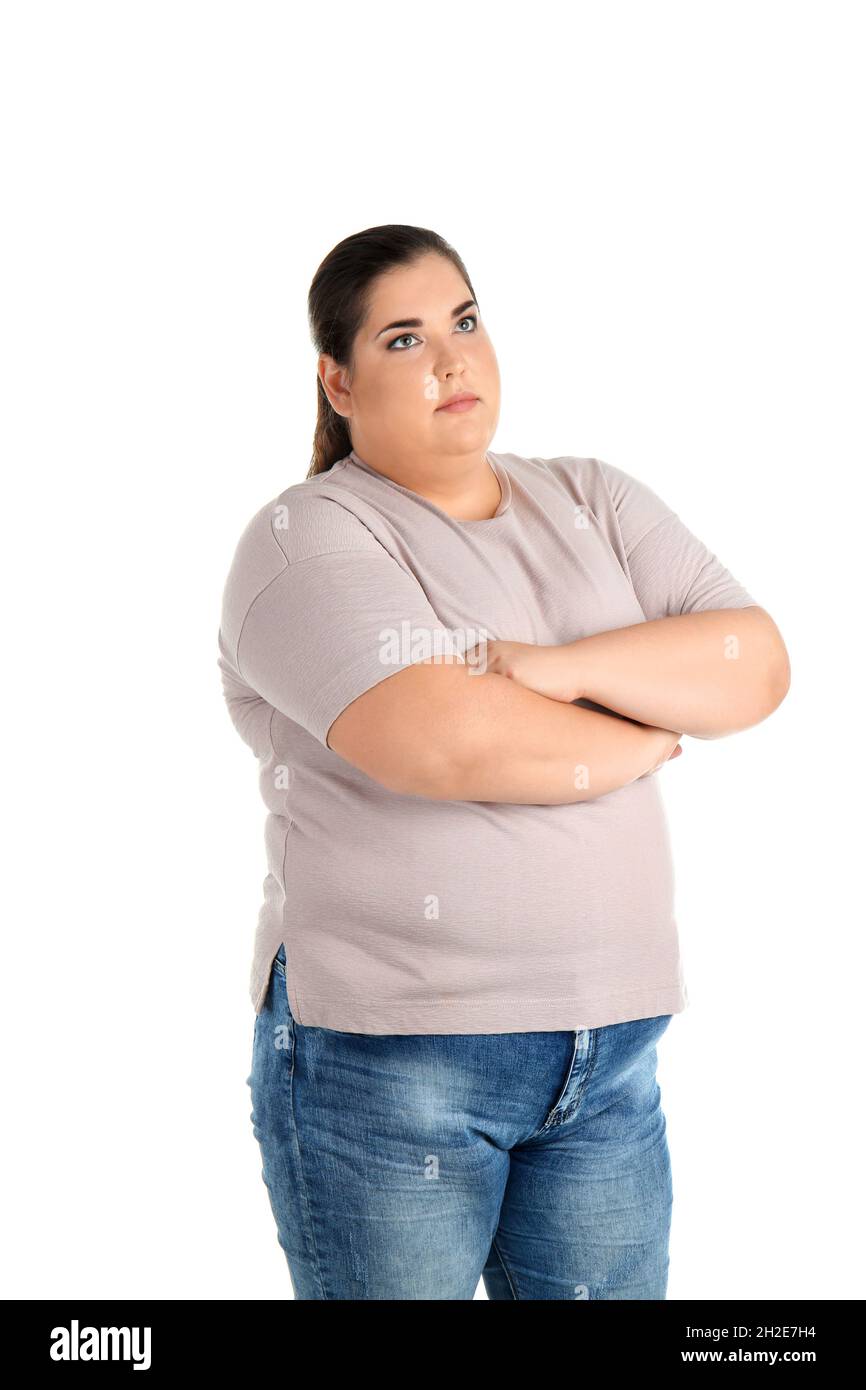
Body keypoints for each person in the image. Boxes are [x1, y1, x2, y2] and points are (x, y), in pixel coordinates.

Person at [217, 224, 790, 1300]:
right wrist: (646, 726)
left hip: (609, 1055)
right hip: (394, 1066)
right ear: (335, 380)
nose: (450, 358)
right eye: (402, 339)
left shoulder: (590, 497)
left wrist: (556, 669)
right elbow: (444, 741)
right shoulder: (308, 538)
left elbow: (749, 664)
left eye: (464, 321)